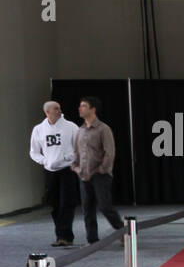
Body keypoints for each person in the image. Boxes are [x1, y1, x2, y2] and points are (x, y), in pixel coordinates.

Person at [72, 96, 124, 243]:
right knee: (87, 209)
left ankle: (123, 232)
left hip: (100, 174)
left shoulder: (103, 129)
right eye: (80, 106)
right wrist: (76, 167)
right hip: (83, 174)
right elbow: (76, 151)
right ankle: (92, 239)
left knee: (104, 206)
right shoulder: (80, 130)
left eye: (83, 106)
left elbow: (109, 152)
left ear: (92, 109)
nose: (80, 108)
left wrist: (102, 169)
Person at [29, 101, 81, 246]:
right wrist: (45, 161)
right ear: (47, 112)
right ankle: (60, 235)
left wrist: (68, 157)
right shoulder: (39, 129)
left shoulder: (70, 127)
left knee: (67, 202)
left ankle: (66, 235)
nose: (59, 110)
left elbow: (79, 146)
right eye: (55, 109)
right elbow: (33, 152)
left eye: (59, 108)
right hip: (50, 171)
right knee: (54, 204)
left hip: (67, 170)